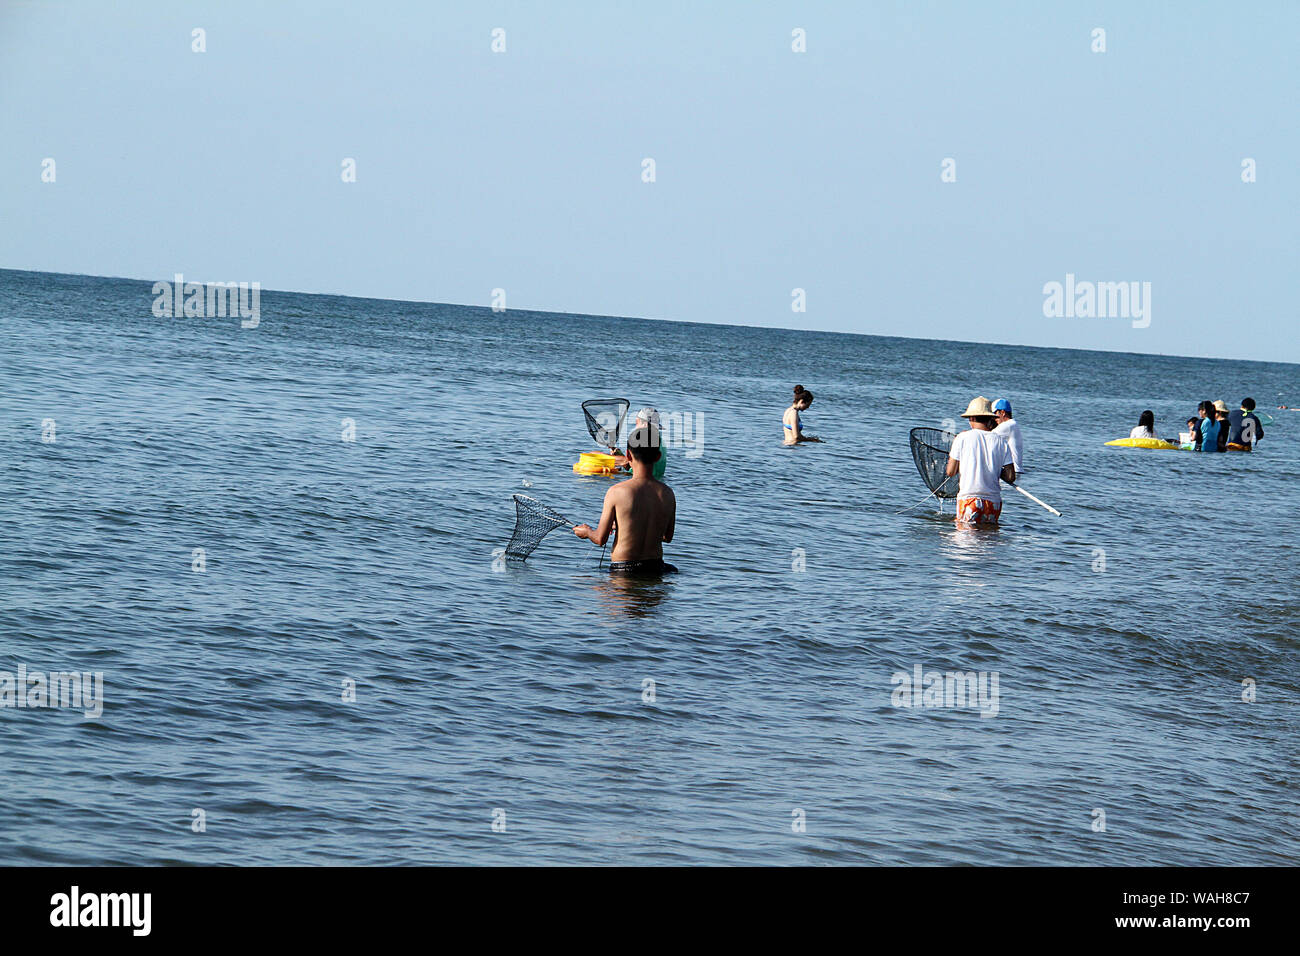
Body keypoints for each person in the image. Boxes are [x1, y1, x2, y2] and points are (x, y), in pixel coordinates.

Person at [574, 425, 677, 574]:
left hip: (624, 571)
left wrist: (586, 532)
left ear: (628, 455)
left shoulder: (616, 492)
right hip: (656, 568)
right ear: (658, 456)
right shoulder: (668, 493)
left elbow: (600, 539)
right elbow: (667, 537)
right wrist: (627, 526)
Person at [945, 397, 1016, 527]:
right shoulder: (1002, 442)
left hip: (969, 499)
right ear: (990, 419)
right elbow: (1011, 477)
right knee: (989, 542)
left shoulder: (962, 438)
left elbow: (950, 472)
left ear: (971, 418)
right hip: (993, 502)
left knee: (965, 542)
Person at [611, 407, 667, 480]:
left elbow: (627, 463)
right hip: (656, 482)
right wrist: (622, 456)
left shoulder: (645, 438)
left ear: (641, 422)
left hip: (641, 480)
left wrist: (613, 459)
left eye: (637, 422)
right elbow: (640, 462)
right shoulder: (659, 440)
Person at [991, 399, 1023, 473]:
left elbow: (985, 436)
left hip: (1011, 472)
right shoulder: (1013, 424)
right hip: (1014, 471)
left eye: (994, 414)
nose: (993, 418)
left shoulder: (1008, 425)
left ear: (1002, 412)